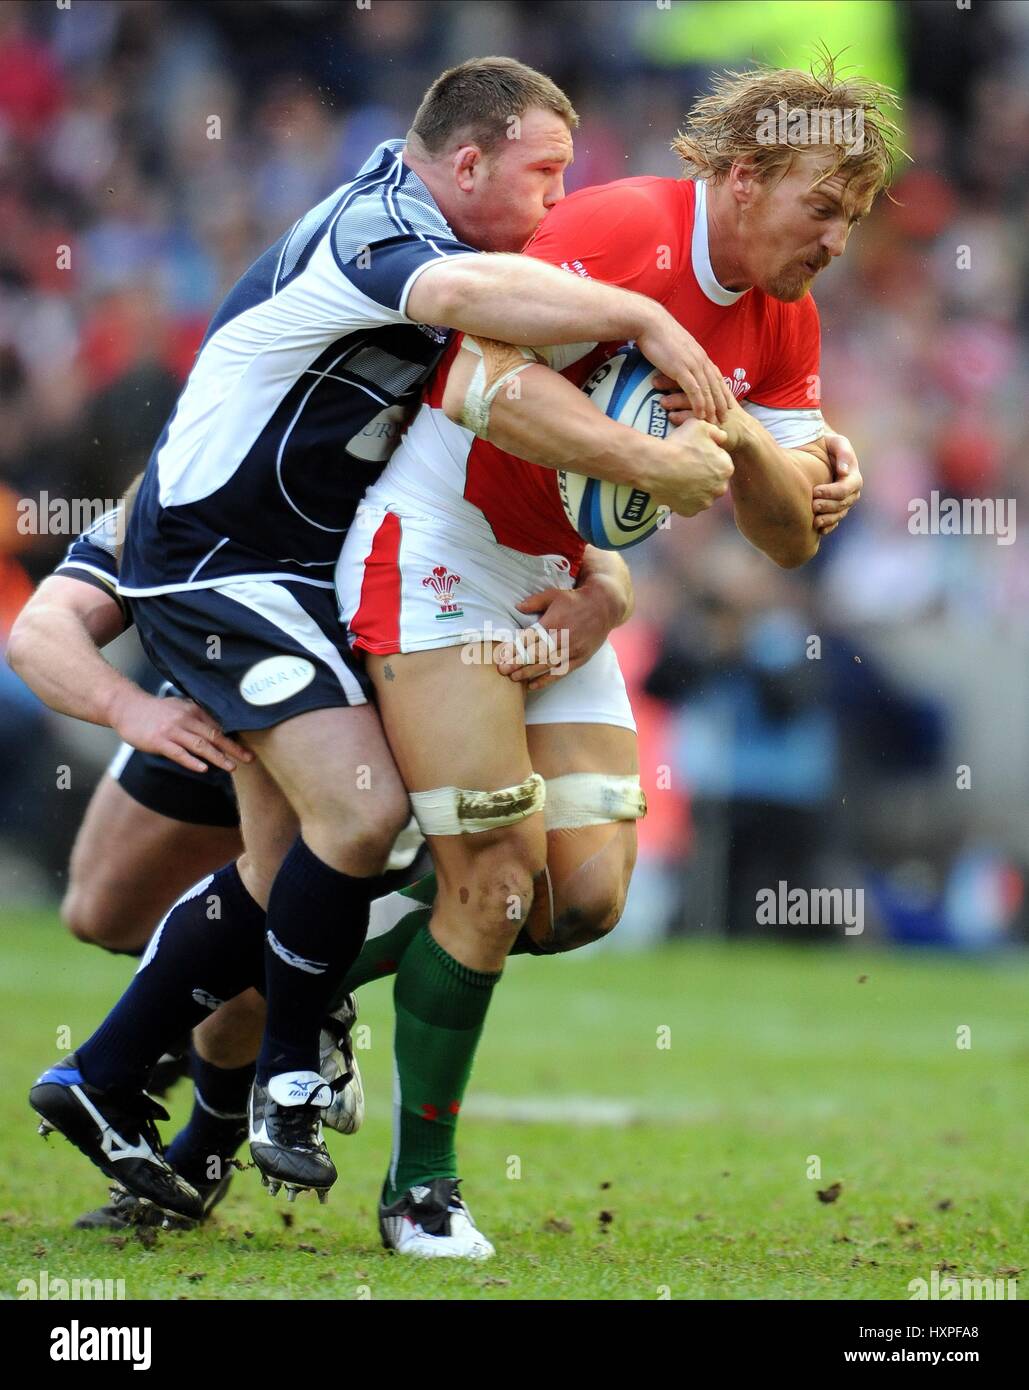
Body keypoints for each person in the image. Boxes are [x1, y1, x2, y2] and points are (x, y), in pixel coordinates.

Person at [27, 55, 744, 1221]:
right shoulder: (380, 232)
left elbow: (498, 472)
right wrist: (128, 707)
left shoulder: (453, 306)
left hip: (325, 605)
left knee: (347, 841)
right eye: (546, 177)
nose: (561, 207)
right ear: (464, 162)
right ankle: (157, 1068)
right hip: (226, 582)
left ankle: (226, 1096)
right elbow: (48, 626)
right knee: (119, 902)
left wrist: (605, 578)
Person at [335, 53, 899, 1255]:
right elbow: (479, 378)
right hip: (444, 542)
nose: (839, 239)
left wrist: (740, 432)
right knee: (492, 874)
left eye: (854, 217)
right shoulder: (620, 225)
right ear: (744, 179)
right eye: (826, 206)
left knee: (581, 897)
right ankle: (419, 1188)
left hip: (563, 582)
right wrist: (648, 461)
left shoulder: (786, 316)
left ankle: (311, 966)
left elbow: (790, 533)